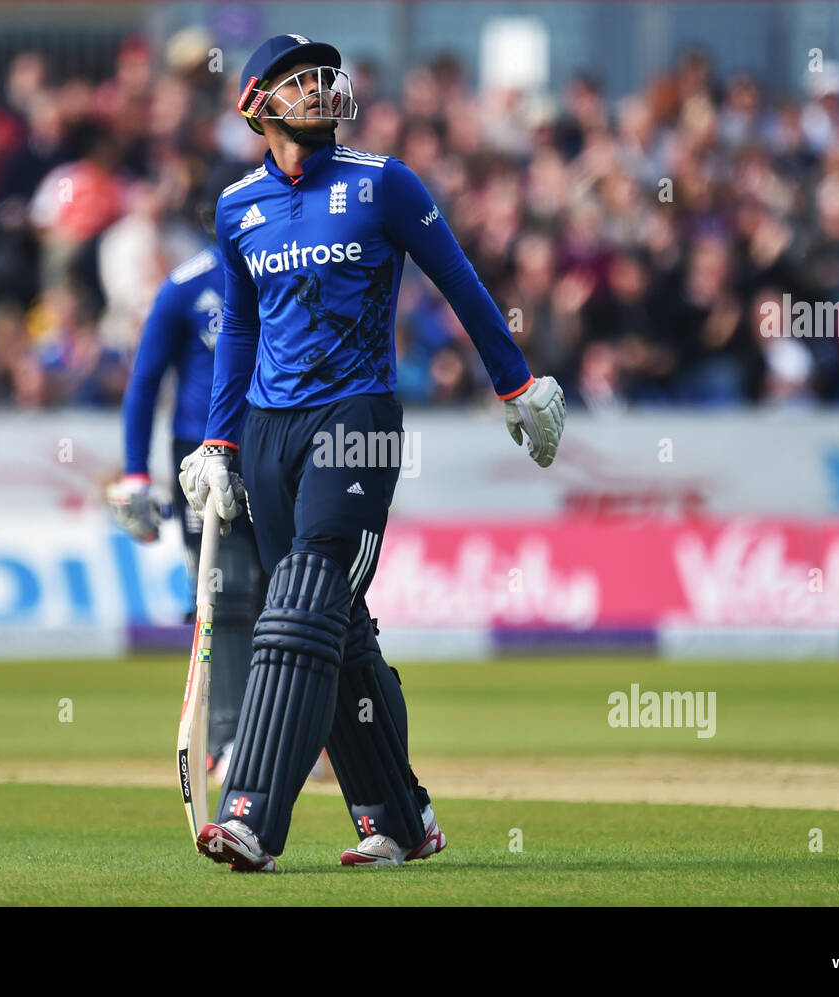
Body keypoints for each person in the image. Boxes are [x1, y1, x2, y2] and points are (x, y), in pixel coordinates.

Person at [178, 34, 565, 872]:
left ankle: (250, 813)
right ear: (256, 104)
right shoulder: (237, 204)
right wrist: (217, 439)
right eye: (297, 81)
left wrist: (515, 383)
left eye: (324, 77)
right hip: (267, 430)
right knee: (336, 628)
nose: (319, 89)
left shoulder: (382, 183)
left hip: (355, 416)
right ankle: (400, 817)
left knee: (305, 593)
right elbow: (239, 326)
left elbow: (457, 277)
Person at [107, 163, 266, 781]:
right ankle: (227, 740)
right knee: (224, 595)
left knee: (289, 592)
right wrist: (135, 473)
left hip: (277, 451)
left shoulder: (285, 272)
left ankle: (296, 735)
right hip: (202, 460)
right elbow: (144, 382)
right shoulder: (185, 286)